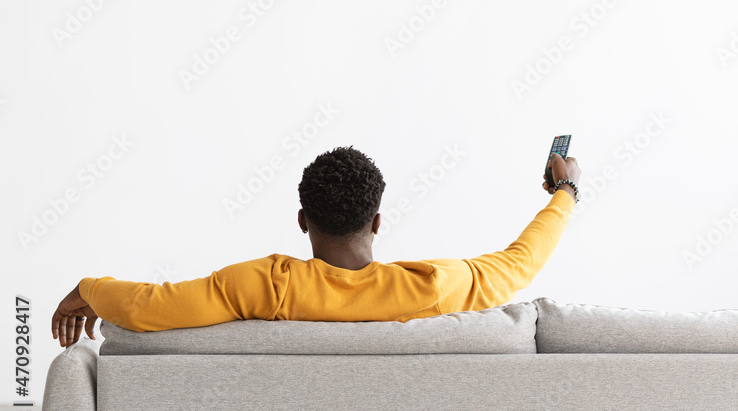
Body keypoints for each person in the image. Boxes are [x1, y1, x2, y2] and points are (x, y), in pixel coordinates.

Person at [51, 146, 581, 347]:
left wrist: (90, 288)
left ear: (303, 220)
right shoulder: (435, 286)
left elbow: (152, 307)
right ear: (376, 221)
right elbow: (521, 262)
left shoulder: (265, 285)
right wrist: (566, 192)